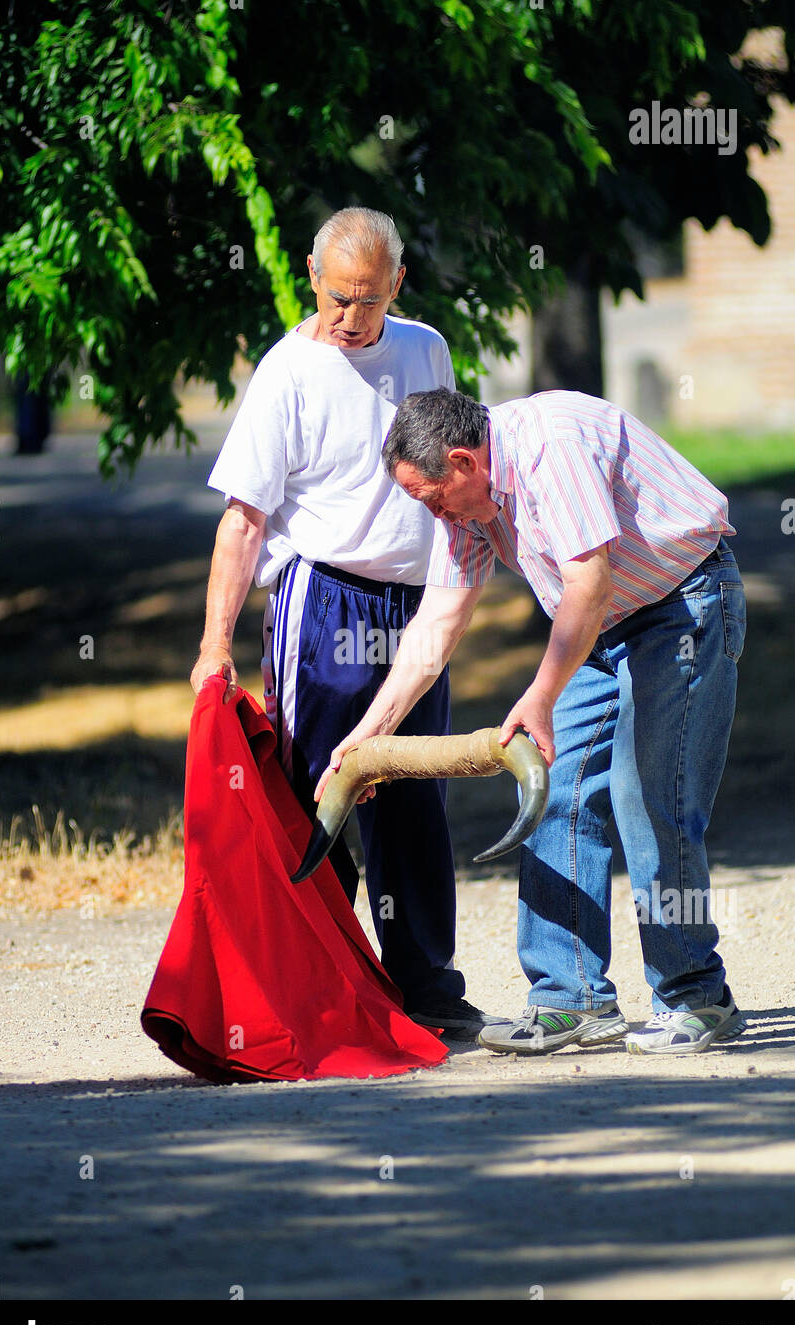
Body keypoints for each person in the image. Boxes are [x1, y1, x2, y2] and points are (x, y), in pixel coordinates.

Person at [316, 386, 749, 1056]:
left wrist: (539, 696)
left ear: (462, 462)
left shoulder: (551, 446)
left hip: (680, 608)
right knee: (553, 791)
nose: (432, 512)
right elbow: (437, 623)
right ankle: (570, 999)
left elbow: (588, 583)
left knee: (650, 799)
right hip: (600, 626)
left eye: (430, 497)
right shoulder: (465, 503)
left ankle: (696, 997)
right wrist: (368, 736)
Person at [190, 209, 499, 1035]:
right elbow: (244, 519)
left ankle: (426, 988)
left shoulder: (426, 348)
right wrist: (213, 644)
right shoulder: (286, 371)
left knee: (410, 797)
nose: (349, 318)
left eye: (367, 300)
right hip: (320, 602)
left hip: (412, 604)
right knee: (315, 790)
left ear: (397, 283)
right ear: (310, 276)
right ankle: (314, 987)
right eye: (335, 297)